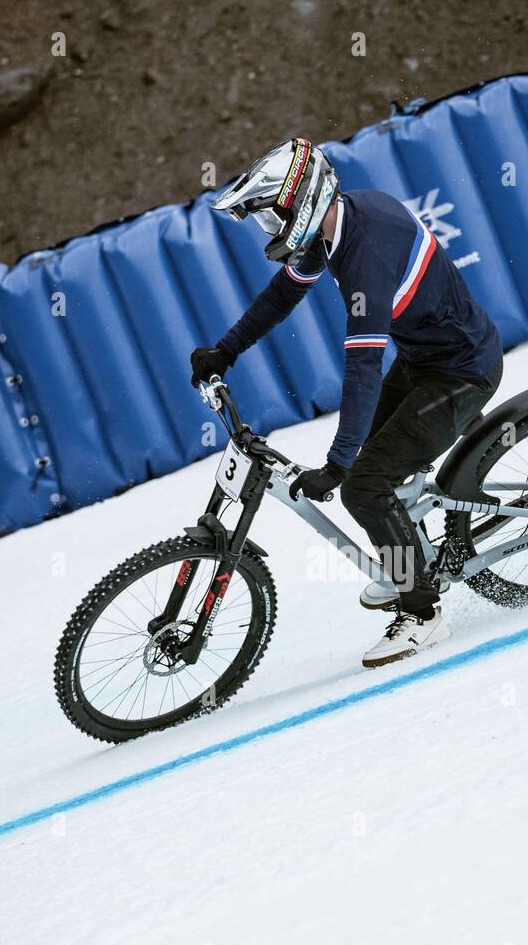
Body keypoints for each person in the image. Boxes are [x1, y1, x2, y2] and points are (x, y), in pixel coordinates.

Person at [191, 137, 503, 668]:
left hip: (460, 374)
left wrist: (337, 466)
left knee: (365, 486)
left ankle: (423, 612)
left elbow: (362, 370)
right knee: (374, 468)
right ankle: (409, 557)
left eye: (271, 220)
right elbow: (282, 295)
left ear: (302, 201)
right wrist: (226, 350)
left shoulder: (367, 257)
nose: (270, 233)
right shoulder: (341, 220)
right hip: (428, 360)